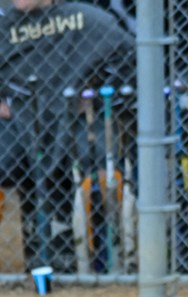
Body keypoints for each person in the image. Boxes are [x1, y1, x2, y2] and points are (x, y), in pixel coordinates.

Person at [0, 0, 134, 272]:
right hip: (16, 127)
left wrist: (96, 94)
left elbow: (128, 63)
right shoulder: (5, 23)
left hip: (76, 125)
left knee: (96, 161)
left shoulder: (87, 19)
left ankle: (101, 264)